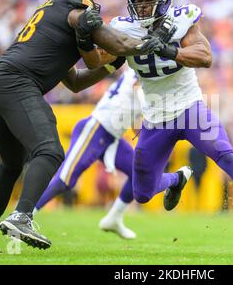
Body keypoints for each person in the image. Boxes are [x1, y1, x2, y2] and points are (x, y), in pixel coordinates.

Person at [0, 0, 164, 254]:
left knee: (11, 164)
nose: (90, 2)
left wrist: (109, 65)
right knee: (50, 151)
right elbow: (109, 37)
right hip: (16, 82)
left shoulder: (52, 20)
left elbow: (73, 82)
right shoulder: (71, 7)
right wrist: (151, 45)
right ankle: (22, 216)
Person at [102, 0, 233, 240]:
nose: (143, 7)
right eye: (138, 1)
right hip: (156, 118)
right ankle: (177, 179)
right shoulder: (121, 28)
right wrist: (87, 38)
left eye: (149, 0)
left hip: (191, 110)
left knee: (225, 154)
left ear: (164, 0)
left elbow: (205, 57)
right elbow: (99, 62)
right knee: (143, 193)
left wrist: (169, 50)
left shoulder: (182, 20)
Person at [35, 68, 163, 239]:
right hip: (96, 128)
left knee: (139, 172)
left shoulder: (145, 83)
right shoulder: (144, 72)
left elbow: (135, 121)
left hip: (112, 137)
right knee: (66, 178)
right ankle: (24, 214)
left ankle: (114, 218)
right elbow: (137, 87)